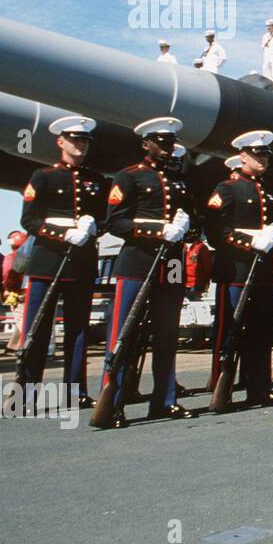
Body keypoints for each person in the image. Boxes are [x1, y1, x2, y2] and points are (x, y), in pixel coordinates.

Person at [99, 117, 196, 426]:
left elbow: (193, 219)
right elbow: (115, 221)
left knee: (167, 333)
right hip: (138, 261)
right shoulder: (128, 177)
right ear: (146, 144)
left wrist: (187, 228)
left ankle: (165, 400)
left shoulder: (179, 181)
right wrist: (159, 231)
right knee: (124, 333)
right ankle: (113, 402)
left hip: (173, 263)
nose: (167, 148)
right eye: (161, 142)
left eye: (171, 143)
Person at [14, 115, 107, 406]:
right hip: (47, 263)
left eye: (85, 141)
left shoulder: (97, 180)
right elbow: (28, 220)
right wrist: (64, 234)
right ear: (61, 141)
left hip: (80, 265)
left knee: (78, 331)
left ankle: (75, 391)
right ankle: (27, 391)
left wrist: (95, 227)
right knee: (38, 328)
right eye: (75, 139)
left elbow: (106, 219)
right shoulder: (42, 176)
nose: (80, 145)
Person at [204, 130, 273, 408]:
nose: (263, 159)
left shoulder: (269, 192)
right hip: (237, 272)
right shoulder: (227, 189)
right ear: (242, 156)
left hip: (263, 273)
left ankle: (260, 388)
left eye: (266, 154)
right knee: (230, 332)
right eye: (257, 154)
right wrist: (250, 241)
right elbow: (215, 229)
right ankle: (223, 389)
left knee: (260, 332)